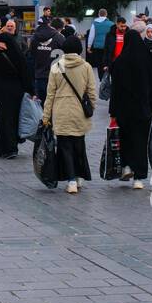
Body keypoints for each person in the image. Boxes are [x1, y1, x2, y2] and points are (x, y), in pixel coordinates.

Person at [109, 24, 152, 189]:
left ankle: (126, 166)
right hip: (143, 110)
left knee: (125, 139)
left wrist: (113, 112)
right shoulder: (147, 61)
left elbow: (115, 91)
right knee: (141, 143)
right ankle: (139, 178)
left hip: (124, 110)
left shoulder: (118, 63)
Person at [42, 35, 96, 194]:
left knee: (65, 146)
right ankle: (80, 177)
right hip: (79, 111)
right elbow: (92, 92)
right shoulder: (86, 66)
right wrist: (90, 108)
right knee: (79, 144)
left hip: (61, 110)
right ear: (79, 49)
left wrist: (46, 116)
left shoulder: (56, 66)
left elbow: (50, 94)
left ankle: (71, 181)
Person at [0, 19, 33, 159]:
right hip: (16, 91)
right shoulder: (17, 54)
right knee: (12, 118)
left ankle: (7, 147)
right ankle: (8, 146)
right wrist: (31, 91)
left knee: (4, 119)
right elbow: (25, 72)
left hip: (1, 92)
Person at [30, 17, 65, 102]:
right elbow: (65, 55)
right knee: (54, 103)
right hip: (55, 75)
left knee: (41, 104)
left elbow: (31, 54)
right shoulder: (59, 38)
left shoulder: (35, 37)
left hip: (38, 75)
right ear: (60, 28)